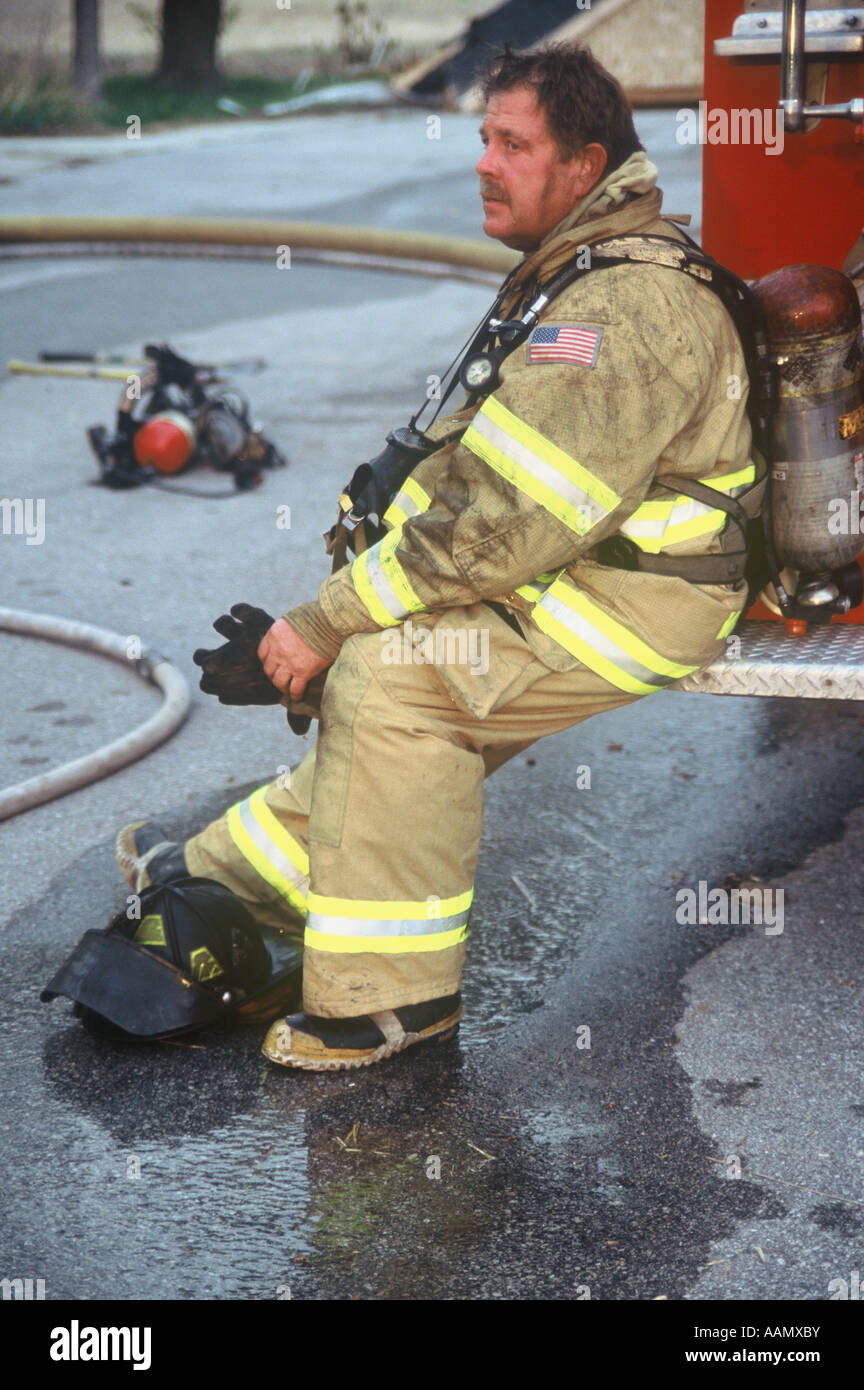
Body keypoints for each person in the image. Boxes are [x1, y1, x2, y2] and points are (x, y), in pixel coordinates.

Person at [117, 43, 755, 1071]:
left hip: (634, 603)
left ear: (585, 166)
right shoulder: (576, 272)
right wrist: (343, 591)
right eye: (482, 139)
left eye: (513, 143)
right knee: (380, 691)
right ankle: (214, 879)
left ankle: (387, 1004)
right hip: (578, 573)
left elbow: (501, 528)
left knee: (393, 682)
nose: (484, 163)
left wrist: (328, 623)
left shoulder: (617, 310)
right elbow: (479, 484)